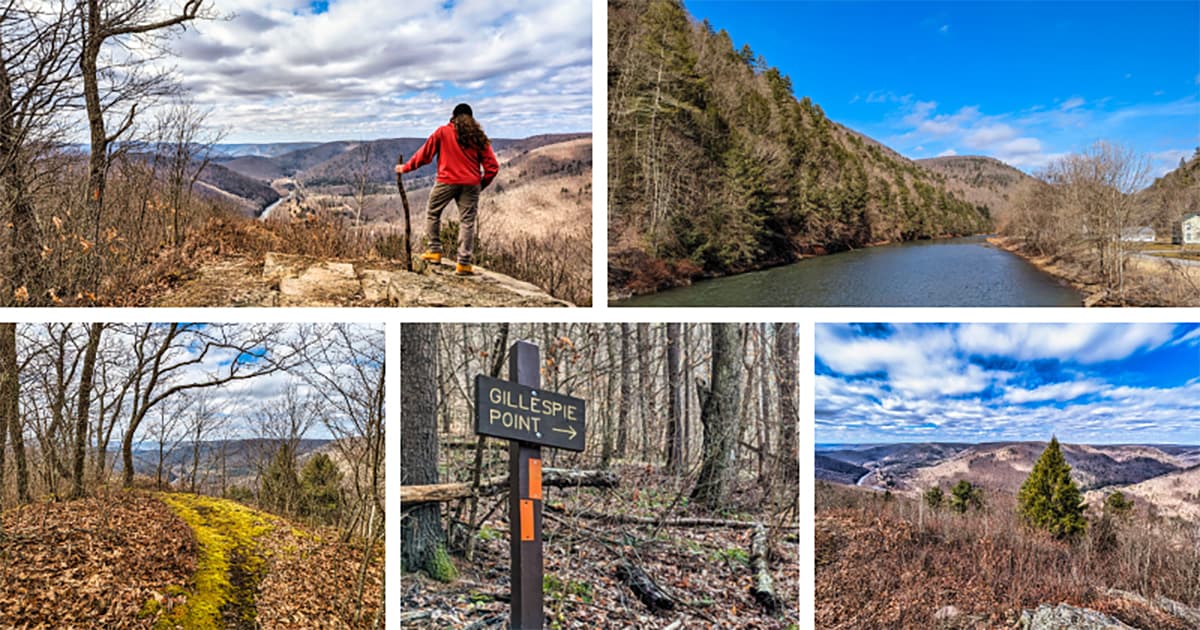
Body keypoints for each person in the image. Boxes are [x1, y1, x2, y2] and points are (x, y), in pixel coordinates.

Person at [395, 103, 499, 276]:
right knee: (467, 222)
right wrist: (480, 185)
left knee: (433, 213)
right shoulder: (478, 137)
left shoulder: (443, 132)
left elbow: (425, 155)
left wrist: (405, 168)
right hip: (471, 183)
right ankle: (464, 263)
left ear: (453, 116)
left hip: (446, 181)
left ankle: (434, 251)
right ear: (471, 118)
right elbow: (492, 167)